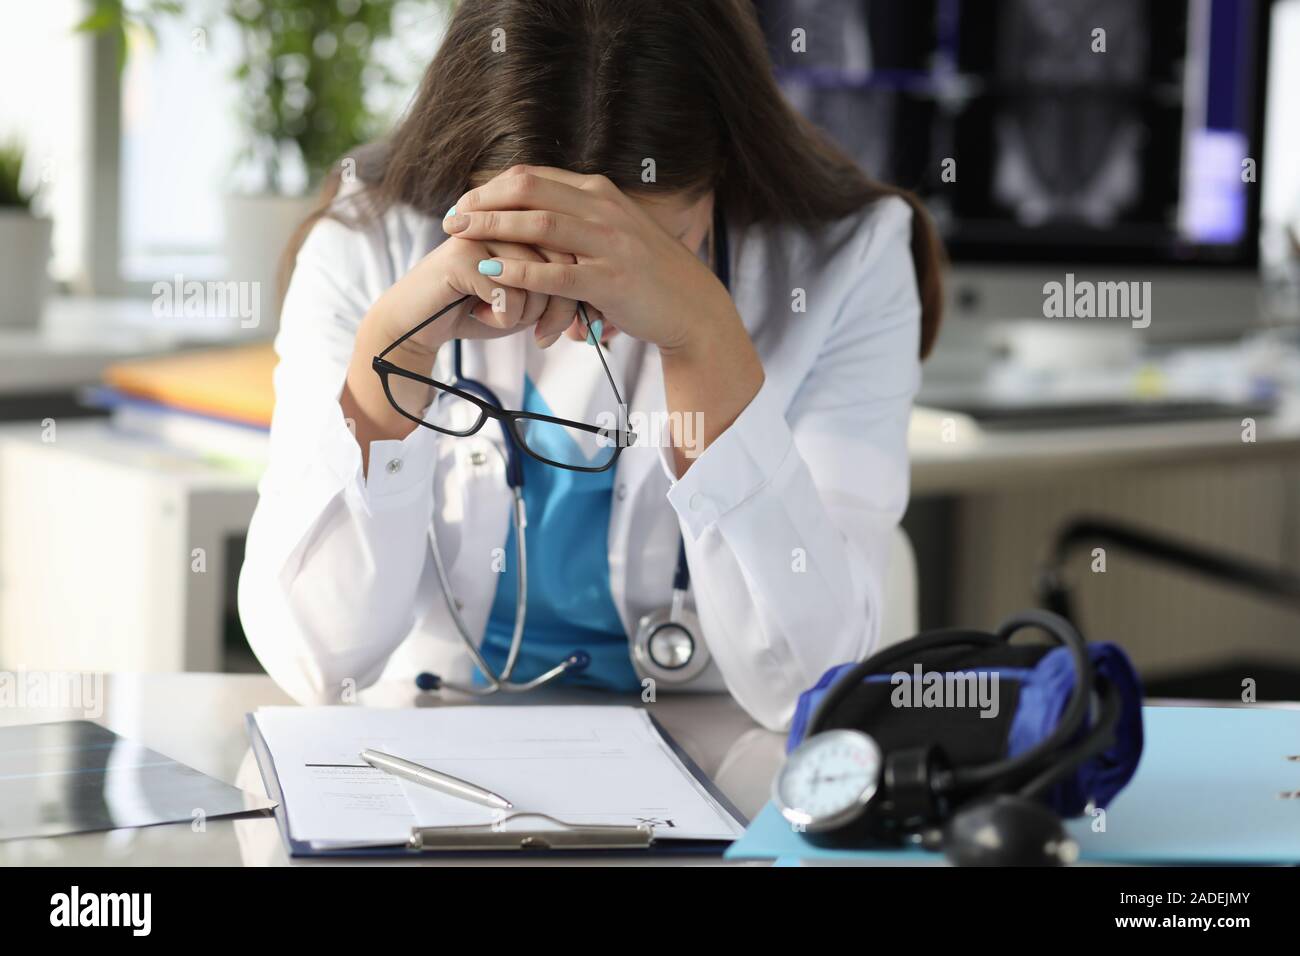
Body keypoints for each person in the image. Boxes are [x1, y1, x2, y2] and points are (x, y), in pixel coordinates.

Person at [237, 0, 944, 731]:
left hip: (729, 758)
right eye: (539, 245)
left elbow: (808, 682)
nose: (580, 293)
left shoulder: (849, 260)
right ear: (465, 179)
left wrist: (705, 339)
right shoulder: (368, 246)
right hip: (435, 749)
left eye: (648, 248)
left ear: (723, 168)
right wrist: (391, 364)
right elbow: (314, 662)